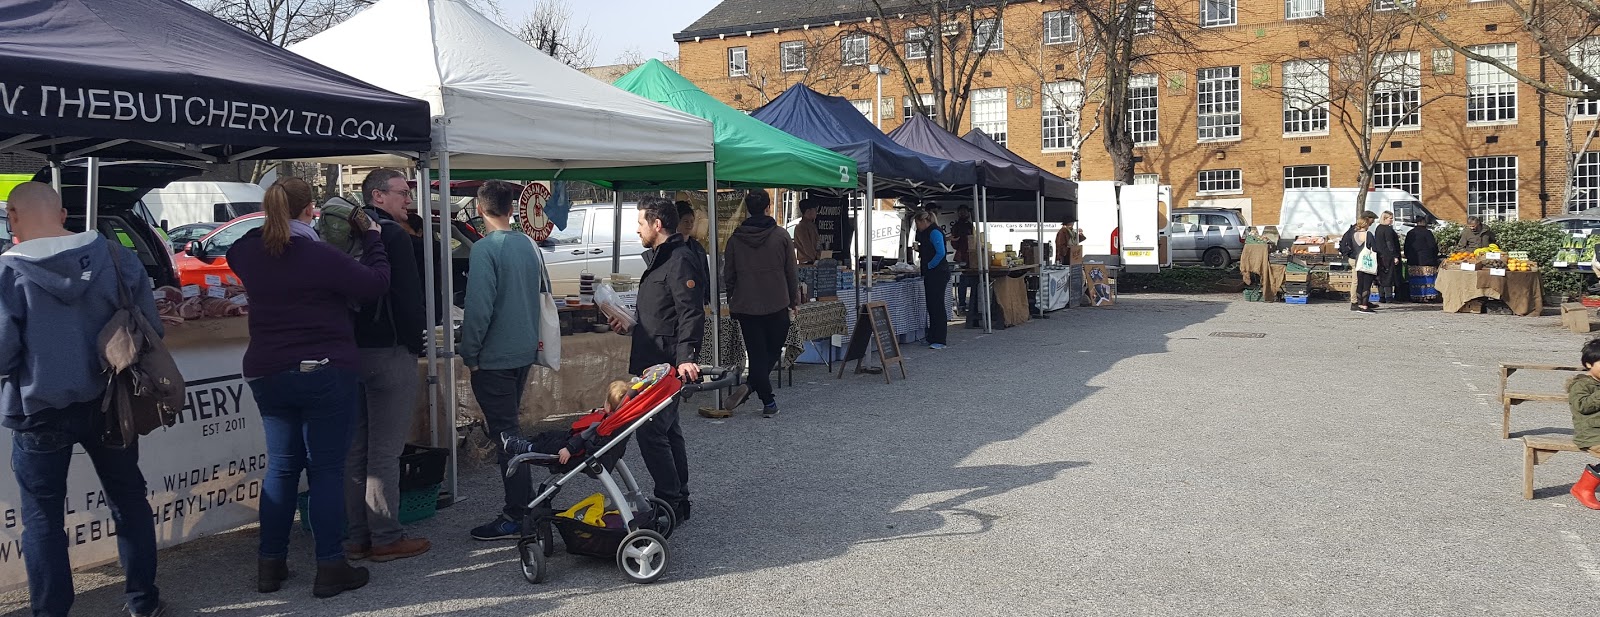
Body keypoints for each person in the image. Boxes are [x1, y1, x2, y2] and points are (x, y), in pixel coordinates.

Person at [0, 183, 167, 617]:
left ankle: (51, 612)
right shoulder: (116, 256)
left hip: (39, 409)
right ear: (62, 215)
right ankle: (142, 602)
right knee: (128, 499)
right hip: (113, 399)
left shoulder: (8, 273)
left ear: (12, 216)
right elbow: (152, 329)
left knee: (42, 519)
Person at [229, 177, 390, 598]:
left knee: (282, 468)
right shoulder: (318, 255)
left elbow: (236, 248)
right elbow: (375, 284)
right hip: (322, 368)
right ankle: (330, 565)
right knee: (326, 469)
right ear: (310, 210)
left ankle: (270, 564)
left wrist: (268, 225)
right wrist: (373, 238)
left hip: (267, 371)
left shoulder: (249, 251)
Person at [344, 169, 431, 563]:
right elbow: (410, 299)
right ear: (377, 196)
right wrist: (416, 344)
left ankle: (356, 537)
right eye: (402, 193)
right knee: (384, 450)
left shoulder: (344, 231)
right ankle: (386, 537)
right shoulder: (392, 235)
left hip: (349, 350)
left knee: (356, 448)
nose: (408, 200)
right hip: (389, 350)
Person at [459, 180, 551, 542]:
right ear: (512, 209)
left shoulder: (485, 248)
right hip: (522, 350)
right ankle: (525, 506)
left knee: (507, 437)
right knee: (510, 431)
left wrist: (470, 353)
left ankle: (518, 513)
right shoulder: (528, 245)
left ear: (479, 210)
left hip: (494, 356)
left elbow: (478, 308)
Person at [608, 197, 703, 522]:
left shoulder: (679, 259)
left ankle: (669, 500)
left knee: (651, 431)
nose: (637, 230)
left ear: (656, 224)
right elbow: (661, 312)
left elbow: (690, 312)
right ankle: (678, 499)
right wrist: (631, 326)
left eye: (640, 223)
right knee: (668, 430)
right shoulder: (661, 258)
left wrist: (687, 357)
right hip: (652, 359)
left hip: (667, 364)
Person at [722, 189, 801, 417]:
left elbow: (728, 274)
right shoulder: (781, 236)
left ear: (747, 209)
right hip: (777, 302)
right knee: (772, 351)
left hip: (746, 304)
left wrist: (733, 298)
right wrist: (794, 300)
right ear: (768, 207)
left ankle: (764, 398)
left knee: (756, 354)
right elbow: (791, 272)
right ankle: (760, 395)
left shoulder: (735, 239)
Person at [501, 381, 634, 464]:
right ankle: (524, 442)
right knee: (550, 434)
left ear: (609, 406)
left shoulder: (602, 424)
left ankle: (526, 448)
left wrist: (569, 449)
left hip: (575, 447)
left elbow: (584, 436)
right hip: (573, 438)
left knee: (550, 445)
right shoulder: (614, 419)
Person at [1568, 338, 1600, 509]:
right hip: (1590, 433)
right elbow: (1582, 406)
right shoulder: (1580, 385)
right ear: (1589, 364)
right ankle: (1583, 488)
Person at [915, 209, 952, 349]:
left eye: (918, 223)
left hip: (938, 273)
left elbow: (941, 252)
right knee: (931, 305)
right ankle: (932, 336)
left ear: (924, 221)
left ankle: (940, 339)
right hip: (931, 274)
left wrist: (929, 265)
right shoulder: (927, 233)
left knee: (937, 305)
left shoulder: (934, 232)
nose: (917, 227)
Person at [1340, 217, 1378, 313]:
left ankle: (1359, 304)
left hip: (1358, 261)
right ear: (1366, 224)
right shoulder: (1368, 234)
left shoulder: (1354, 235)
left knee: (1359, 283)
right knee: (1366, 284)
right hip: (1367, 262)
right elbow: (1374, 248)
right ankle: (1364, 305)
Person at [675, 200, 710, 292]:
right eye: (686, 221)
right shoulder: (669, 246)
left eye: (692, 221)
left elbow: (705, 275)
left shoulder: (698, 248)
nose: (689, 225)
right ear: (677, 222)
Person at [950, 205, 975, 315]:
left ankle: (971, 304)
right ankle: (962, 304)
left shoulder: (970, 225)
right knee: (964, 281)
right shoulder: (957, 226)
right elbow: (954, 242)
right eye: (961, 212)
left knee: (972, 281)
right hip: (963, 256)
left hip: (971, 256)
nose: (963, 214)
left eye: (965, 212)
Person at [1373, 211, 1402, 302]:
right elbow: (1390, 243)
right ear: (1385, 218)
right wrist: (1395, 256)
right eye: (1390, 218)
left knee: (1381, 276)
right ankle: (1389, 297)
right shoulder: (1388, 229)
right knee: (1389, 276)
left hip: (1380, 255)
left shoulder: (1378, 228)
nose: (1392, 220)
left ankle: (1381, 296)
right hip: (1388, 256)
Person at [794, 199, 822, 264]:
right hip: (807, 262)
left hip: (815, 260)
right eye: (815, 210)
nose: (816, 212)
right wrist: (817, 259)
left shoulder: (812, 225)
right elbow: (807, 248)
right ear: (808, 211)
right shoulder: (801, 227)